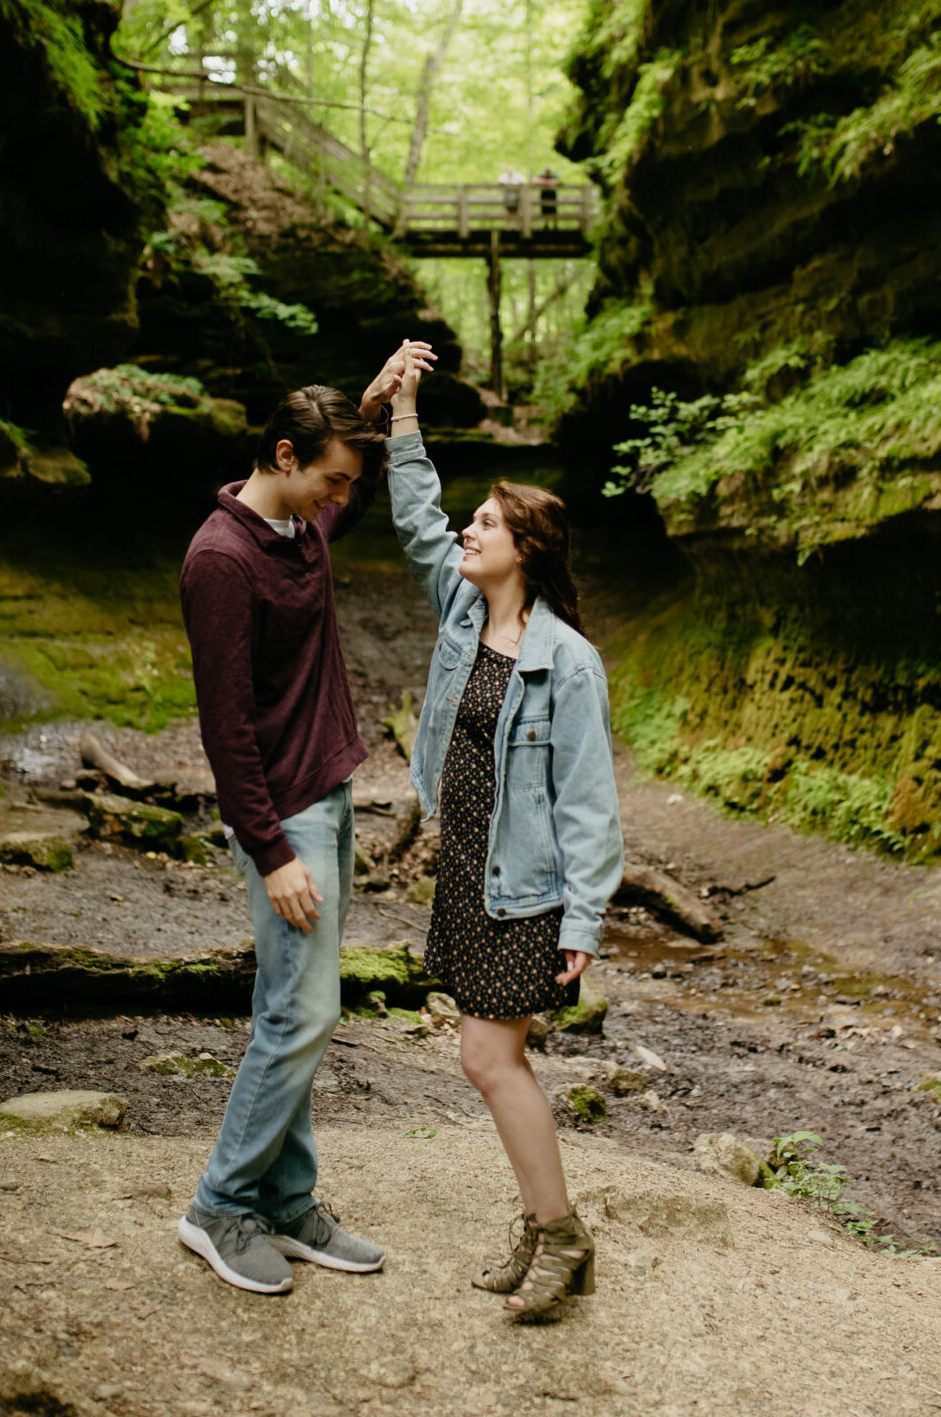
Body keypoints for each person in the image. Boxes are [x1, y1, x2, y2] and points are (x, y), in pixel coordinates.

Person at [177, 347, 435, 1295]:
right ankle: (219, 1206)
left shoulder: (300, 524)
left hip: (325, 793)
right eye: (328, 476)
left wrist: (374, 404)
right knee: (303, 1013)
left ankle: (286, 1202)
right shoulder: (222, 559)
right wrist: (272, 849)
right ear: (283, 456)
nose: (340, 496)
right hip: (283, 814)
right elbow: (224, 726)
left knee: (295, 1009)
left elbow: (349, 504)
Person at [384, 345, 623, 1322]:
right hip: (469, 877)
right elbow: (412, 513)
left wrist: (585, 917)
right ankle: (542, 1226)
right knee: (488, 1058)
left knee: (487, 1058)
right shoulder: (461, 612)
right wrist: (401, 408)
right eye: (470, 521)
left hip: (529, 886)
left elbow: (589, 797)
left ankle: (560, 1236)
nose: (465, 533)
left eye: (483, 523)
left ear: (524, 545)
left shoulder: (568, 660)